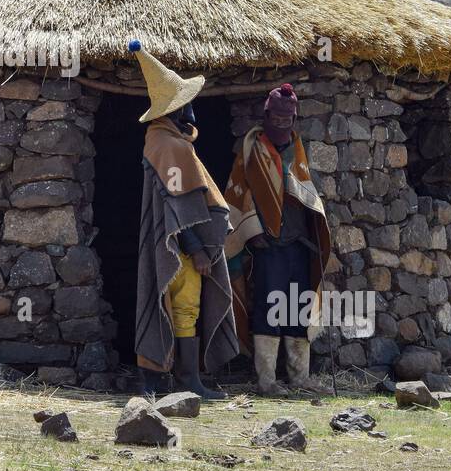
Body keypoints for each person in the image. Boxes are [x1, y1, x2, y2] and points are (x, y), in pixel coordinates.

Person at [129, 40, 238, 400]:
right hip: (179, 245)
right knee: (185, 306)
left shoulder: (159, 139)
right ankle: (187, 379)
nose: (192, 109)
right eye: (187, 103)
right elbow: (182, 203)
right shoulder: (173, 147)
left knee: (162, 302)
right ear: (177, 109)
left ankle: (159, 381)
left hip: (164, 240)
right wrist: (198, 249)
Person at [223, 83, 335, 396]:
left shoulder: (297, 149)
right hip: (267, 244)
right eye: (278, 116)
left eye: (289, 116)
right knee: (269, 307)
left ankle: (299, 378)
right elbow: (238, 191)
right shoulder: (251, 149)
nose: (283, 121)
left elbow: (305, 189)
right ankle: (267, 381)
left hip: (300, 244)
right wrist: (253, 232)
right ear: (267, 114)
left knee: (298, 307)